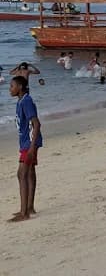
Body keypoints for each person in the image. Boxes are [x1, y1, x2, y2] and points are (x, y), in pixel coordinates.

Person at [9, 75, 43, 222]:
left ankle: (24, 213)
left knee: (21, 174)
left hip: (29, 143)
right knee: (28, 173)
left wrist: (31, 147)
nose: (10, 89)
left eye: (12, 86)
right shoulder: (21, 101)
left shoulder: (26, 101)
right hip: (25, 142)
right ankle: (29, 208)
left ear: (20, 87)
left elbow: (36, 124)